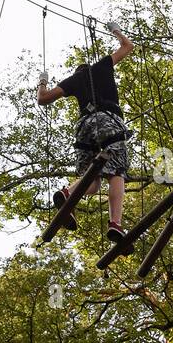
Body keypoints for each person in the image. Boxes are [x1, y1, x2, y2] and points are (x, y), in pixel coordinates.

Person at [37, 20, 134, 241]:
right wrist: (115, 30)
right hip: (108, 121)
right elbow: (128, 46)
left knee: (92, 180)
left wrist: (43, 81)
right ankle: (115, 223)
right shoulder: (102, 66)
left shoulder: (74, 80)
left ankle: (67, 193)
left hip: (84, 127)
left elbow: (43, 99)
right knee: (116, 172)